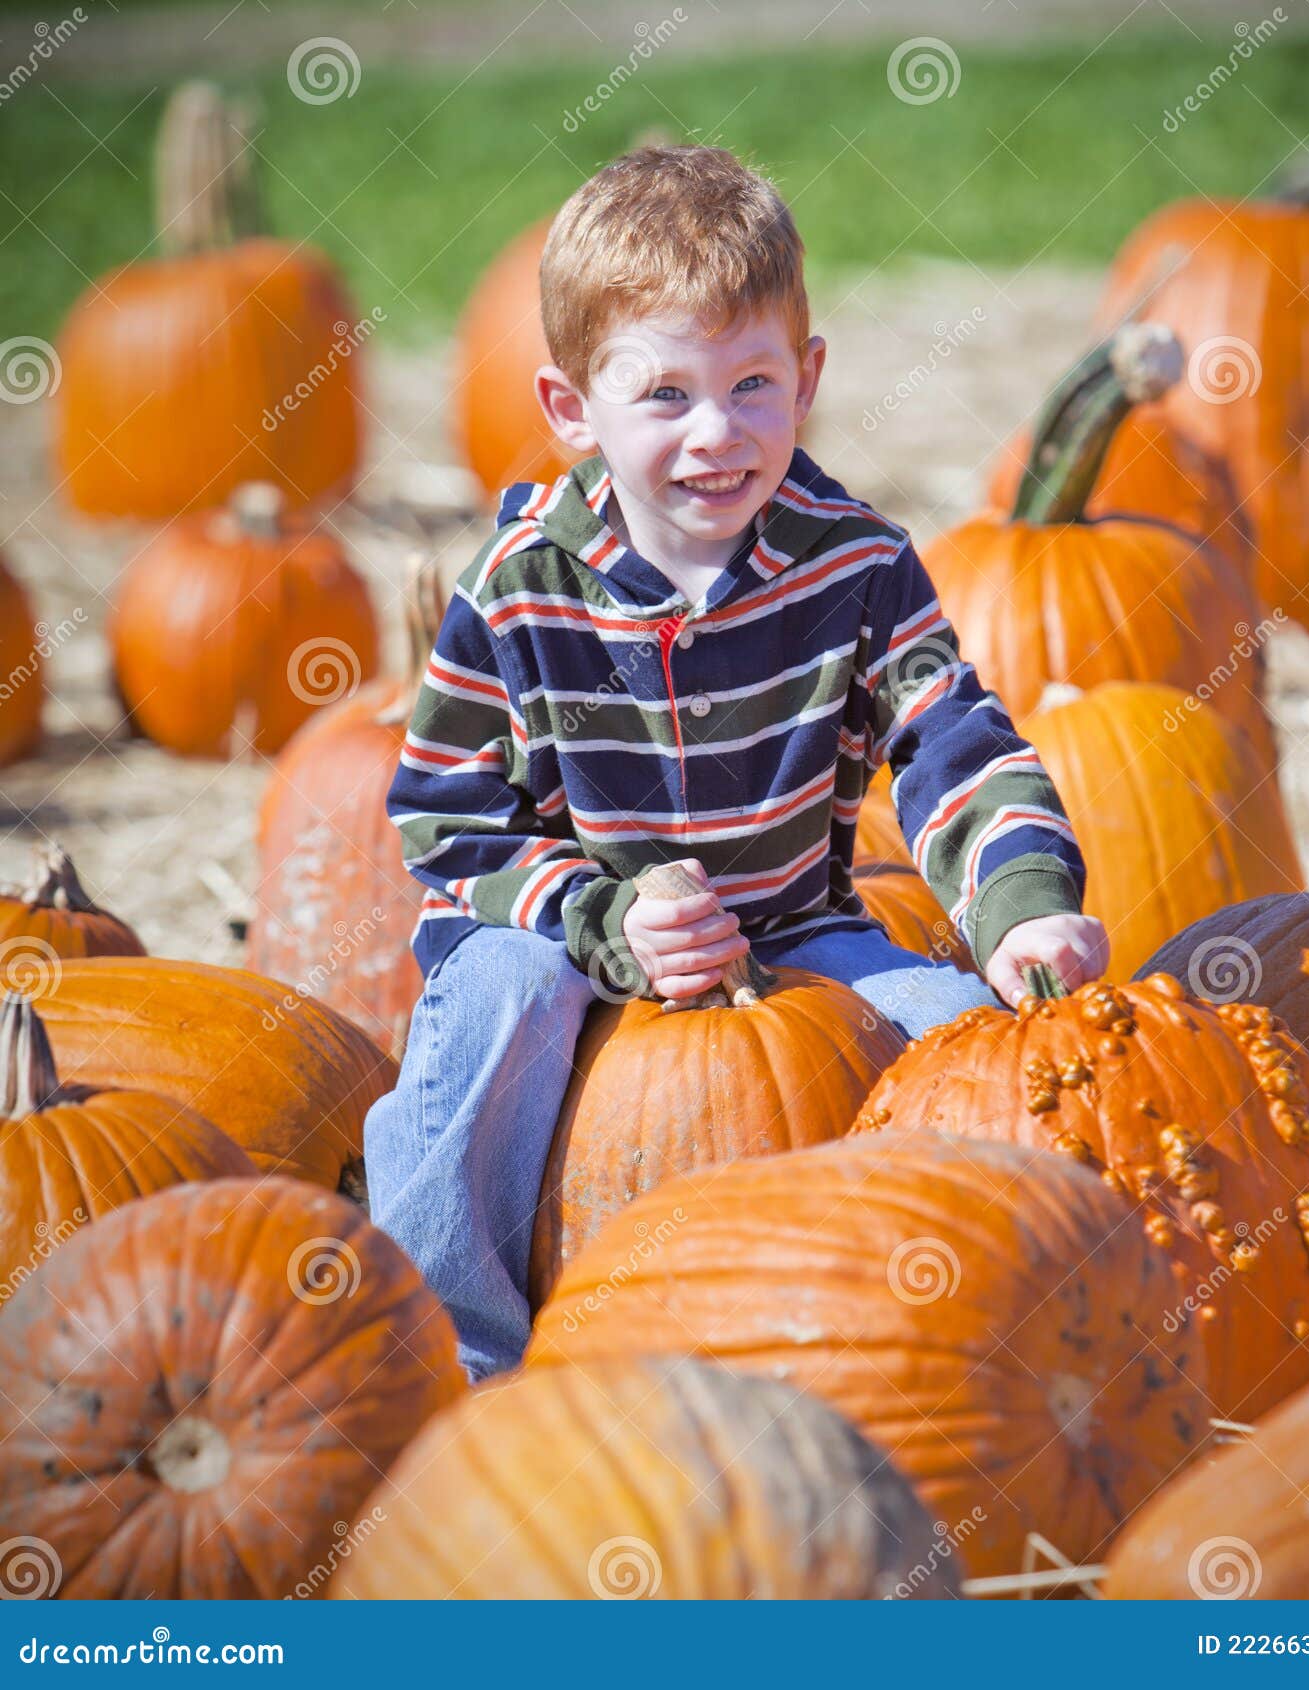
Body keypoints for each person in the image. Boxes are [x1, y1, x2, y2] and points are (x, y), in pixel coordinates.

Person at [364, 143, 1109, 1383]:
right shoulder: (516, 590)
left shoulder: (856, 565)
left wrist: (1025, 910)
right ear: (569, 409)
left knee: (961, 1037)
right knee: (496, 1000)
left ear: (806, 377)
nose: (717, 434)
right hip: (563, 937)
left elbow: (951, 742)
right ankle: (453, 1358)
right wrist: (601, 917)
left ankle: (960, 1328)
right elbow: (446, 821)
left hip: (794, 928)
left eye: (752, 384)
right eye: (664, 396)